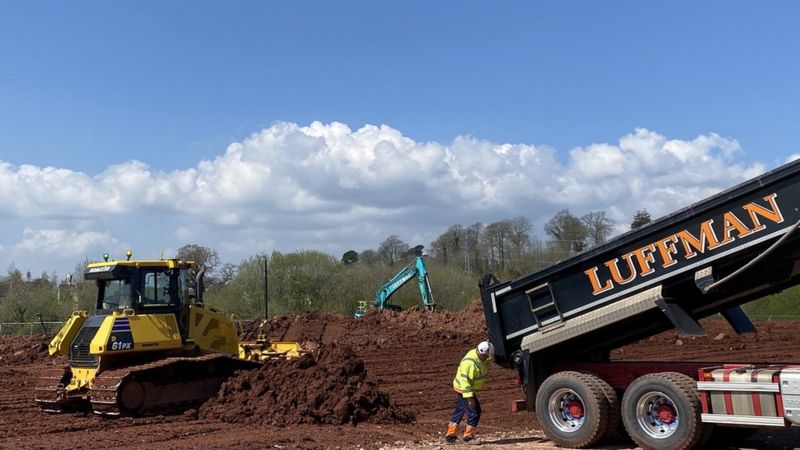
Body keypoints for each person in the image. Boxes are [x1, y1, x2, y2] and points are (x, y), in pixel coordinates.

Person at [445, 340, 494, 443]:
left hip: (465, 389)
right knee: (474, 412)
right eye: (487, 355)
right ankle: (468, 437)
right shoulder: (470, 364)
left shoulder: (480, 356)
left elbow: (488, 360)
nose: (488, 357)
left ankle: (450, 436)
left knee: (460, 411)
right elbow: (465, 382)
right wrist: (470, 398)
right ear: (482, 353)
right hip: (463, 390)